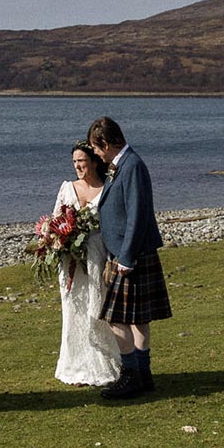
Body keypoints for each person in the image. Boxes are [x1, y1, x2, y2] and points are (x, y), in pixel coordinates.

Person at [88, 115, 170, 400]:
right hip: (127, 252)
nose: (95, 154)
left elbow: (137, 214)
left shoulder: (131, 165)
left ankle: (132, 375)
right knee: (137, 319)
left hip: (129, 255)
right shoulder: (122, 164)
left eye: (96, 148)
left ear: (107, 144)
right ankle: (144, 375)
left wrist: (126, 257)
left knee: (115, 318)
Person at [50, 143, 121, 387]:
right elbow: (55, 221)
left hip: (97, 258)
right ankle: (75, 366)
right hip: (71, 262)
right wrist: (59, 240)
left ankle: (102, 365)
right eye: (75, 162)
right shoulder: (67, 188)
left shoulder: (107, 188)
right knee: (74, 310)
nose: (78, 166)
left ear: (94, 161)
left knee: (97, 309)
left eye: (82, 161)